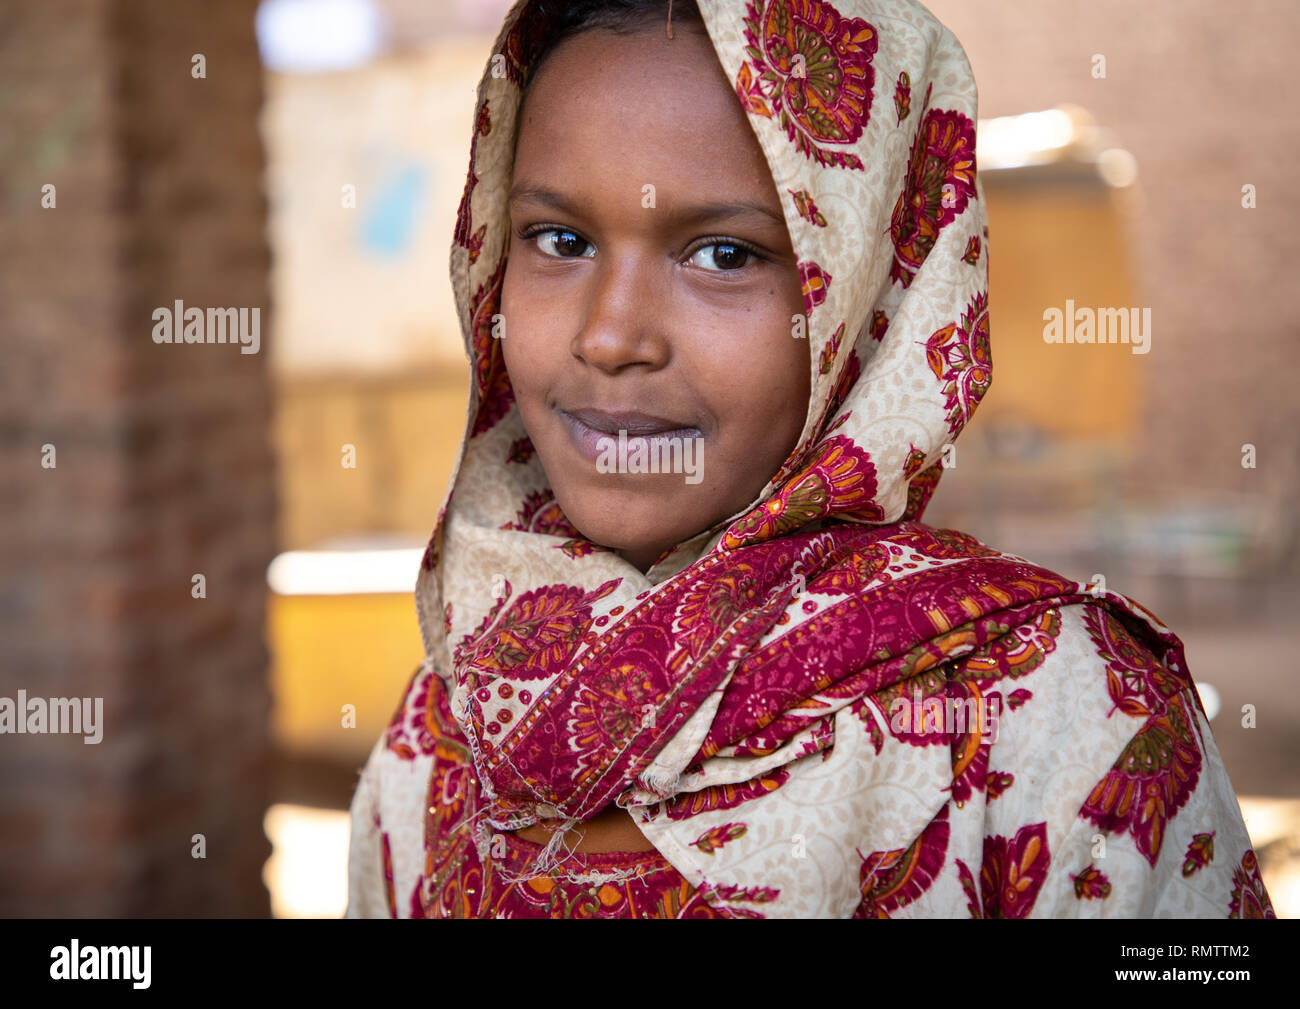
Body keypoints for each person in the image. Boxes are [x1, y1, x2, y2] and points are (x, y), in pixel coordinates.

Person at [345, 0, 1275, 918]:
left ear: (866, 302)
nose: (610, 334)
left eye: (722, 253)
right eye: (560, 240)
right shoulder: (445, 735)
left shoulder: (1067, 721)